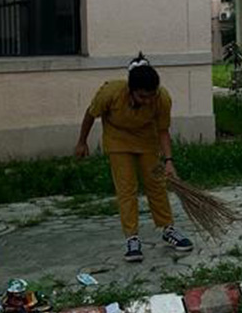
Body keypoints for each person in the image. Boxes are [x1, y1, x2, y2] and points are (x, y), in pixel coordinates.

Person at [75, 53, 194, 262]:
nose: (147, 100)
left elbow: (163, 131)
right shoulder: (111, 92)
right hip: (118, 141)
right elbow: (90, 114)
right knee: (126, 189)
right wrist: (82, 141)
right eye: (142, 97)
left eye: (151, 95)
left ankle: (168, 229)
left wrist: (169, 161)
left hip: (147, 142)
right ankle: (132, 238)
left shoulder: (162, 98)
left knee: (156, 185)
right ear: (131, 91)